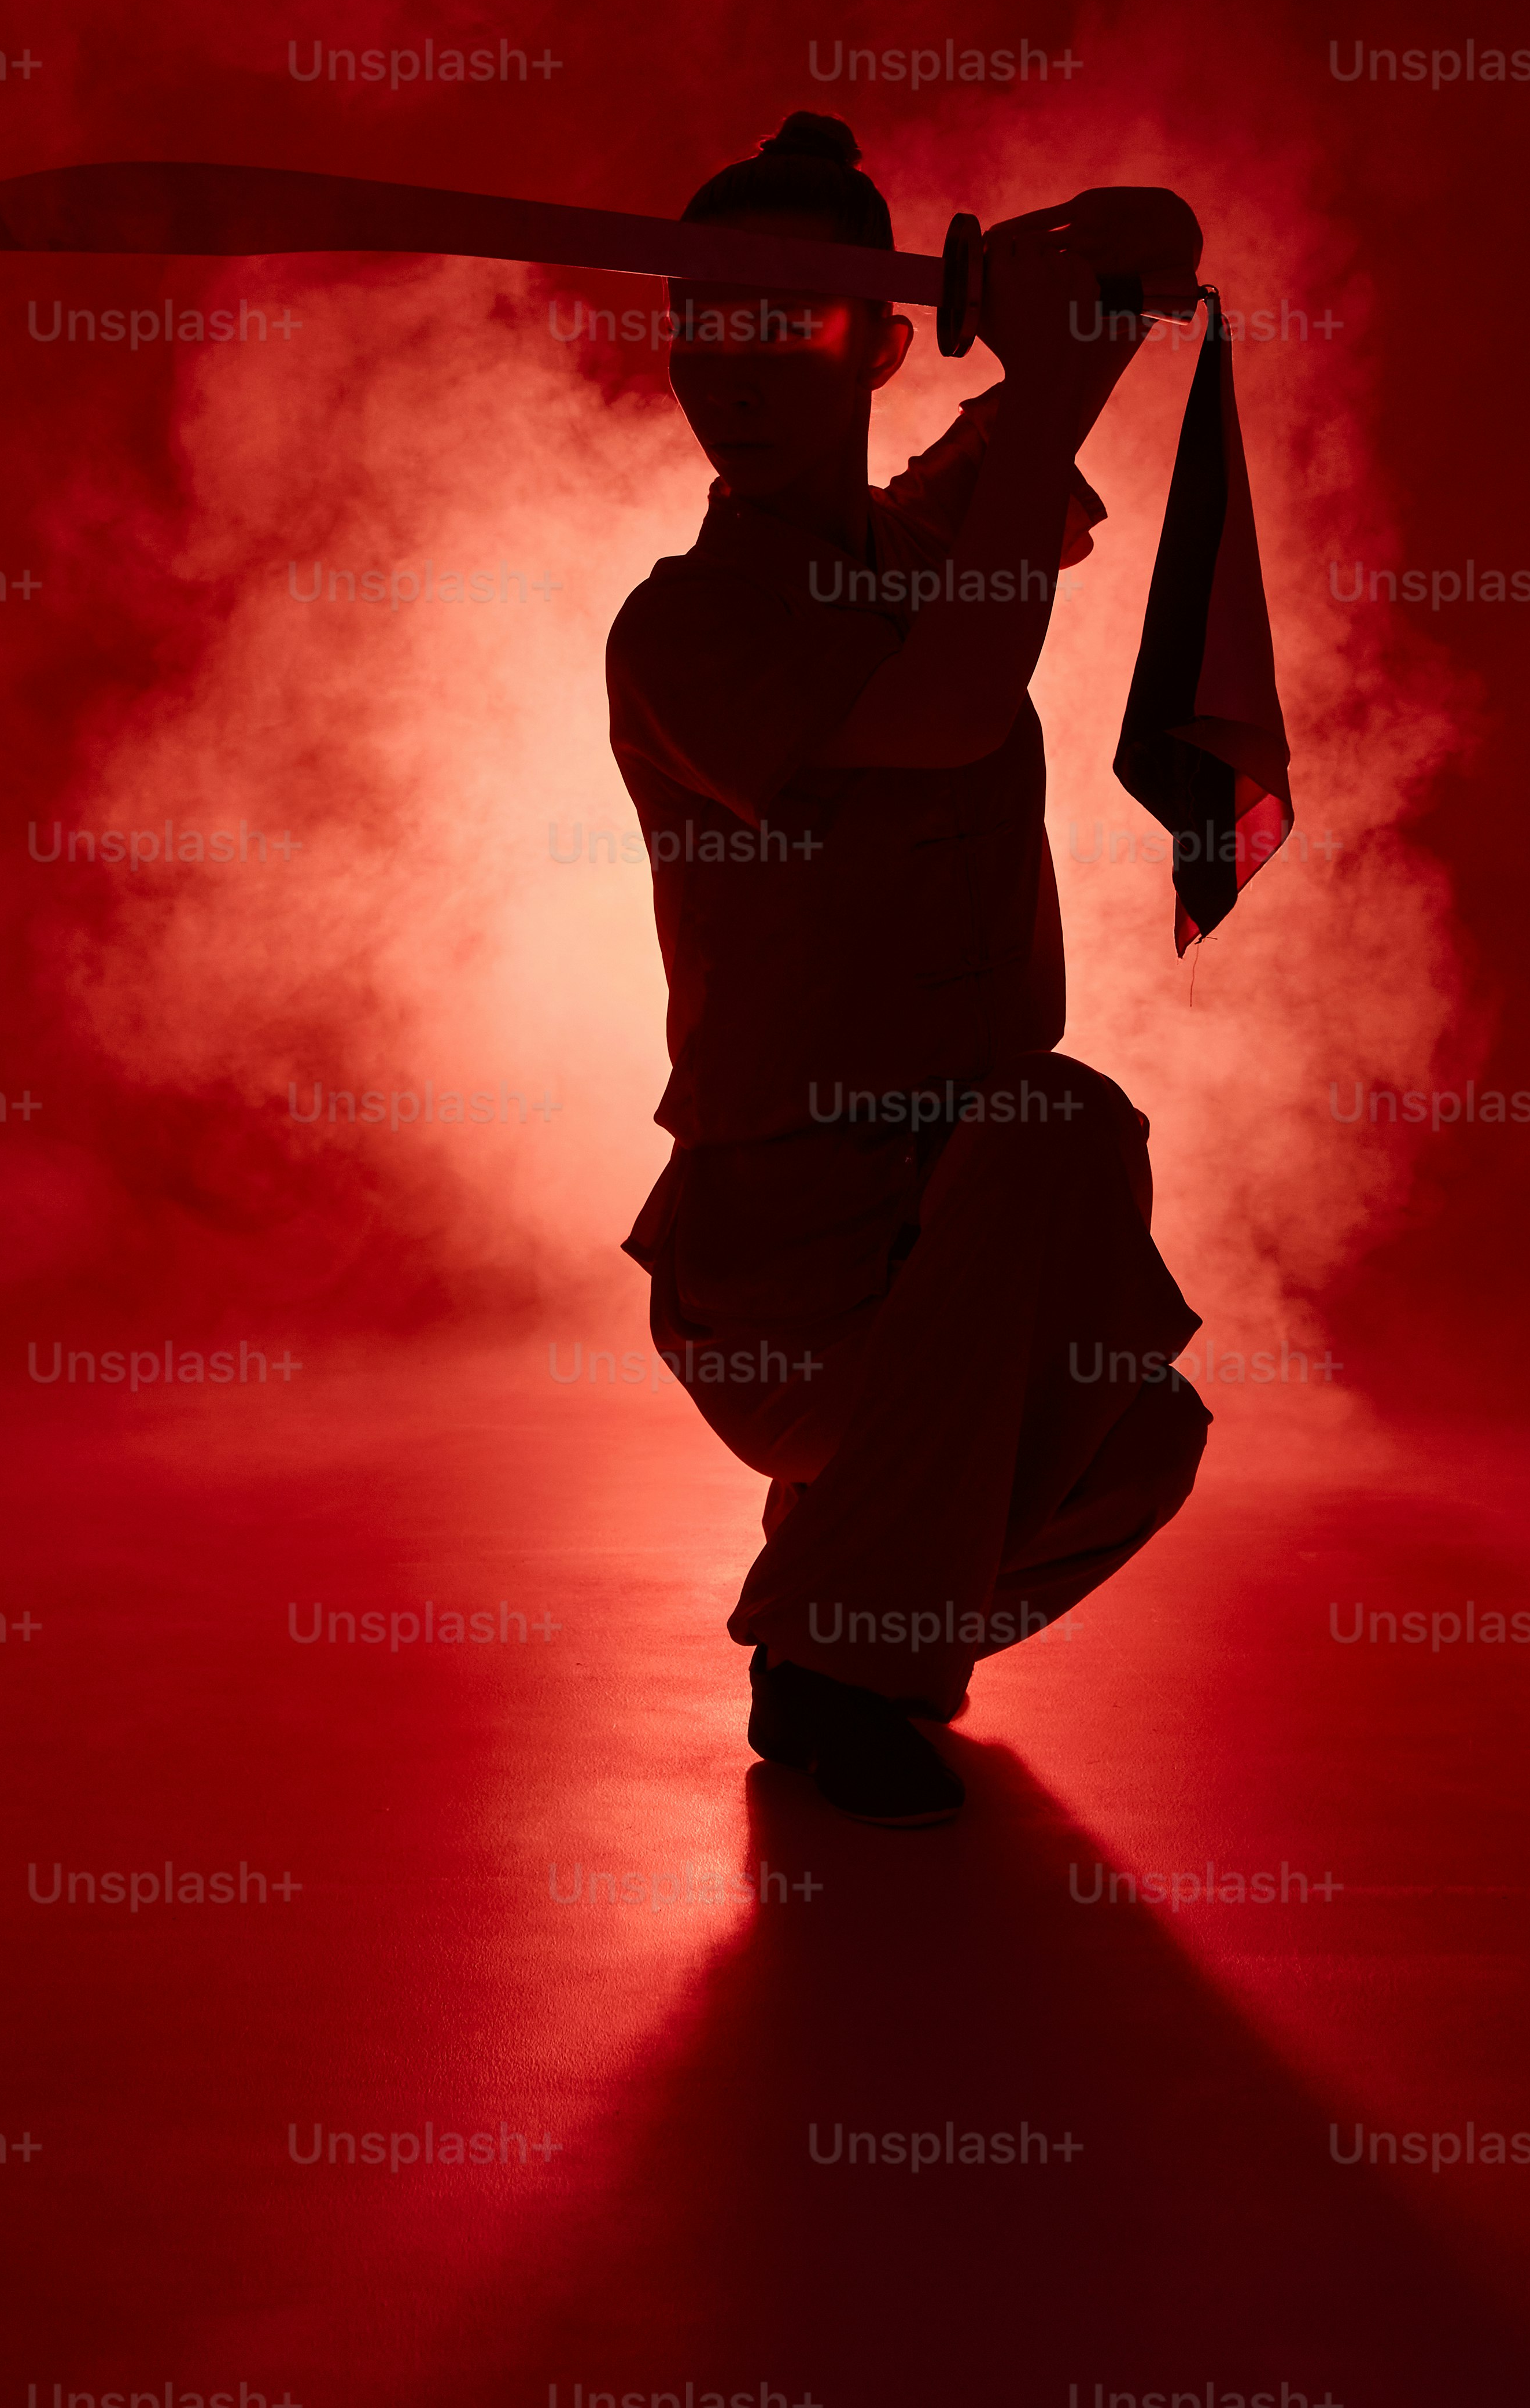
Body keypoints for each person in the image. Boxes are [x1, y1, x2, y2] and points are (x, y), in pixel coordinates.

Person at [607, 114, 1212, 1825]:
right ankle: (833, 1665)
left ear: (881, 341)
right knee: (1048, 1124)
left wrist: (1083, 286)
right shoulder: (683, 622)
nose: (730, 367)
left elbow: (1135, 277)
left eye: (783, 324)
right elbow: (944, 717)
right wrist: (1050, 358)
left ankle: (858, 1578)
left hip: (947, 1259)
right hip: (782, 1279)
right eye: (699, 323)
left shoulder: (924, 545)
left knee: (1143, 1436)